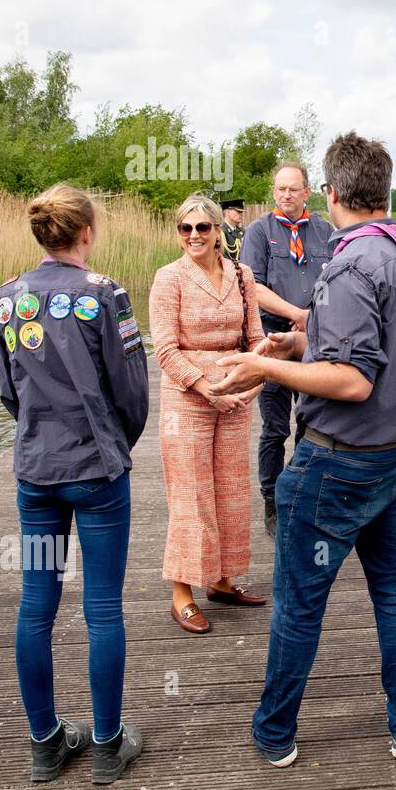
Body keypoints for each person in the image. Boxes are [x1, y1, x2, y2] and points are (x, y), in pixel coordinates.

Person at [211, 132, 396, 767]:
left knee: (298, 603)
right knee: (394, 590)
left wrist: (262, 369)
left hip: (338, 466)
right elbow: (368, 342)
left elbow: (353, 378)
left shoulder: (348, 263)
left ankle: (275, 734)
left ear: (333, 194)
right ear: (385, 191)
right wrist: (296, 346)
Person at [0, 184, 149, 785]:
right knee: (102, 607)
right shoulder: (104, 295)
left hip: (36, 475)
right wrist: (112, 445)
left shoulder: (5, 301)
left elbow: (10, 392)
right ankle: (107, 745)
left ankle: (45, 744)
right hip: (98, 474)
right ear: (87, 233)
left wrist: (41, 436)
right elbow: (132, 394)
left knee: (36, 606)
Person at [151, 194, 266, 635]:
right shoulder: (169, 278)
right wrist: (207, 390)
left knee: (232, 492)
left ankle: (222, 579)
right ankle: (183, 592)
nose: (194, 236)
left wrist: (253, 383)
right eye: (186, 228)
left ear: (219, 230)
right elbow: (163, 349)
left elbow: (255, 336)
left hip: (237, 394)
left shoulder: (242, 275)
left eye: (203, 227)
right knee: (191, 493)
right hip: (188, 397)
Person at [240, 164, 335, 537]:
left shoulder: (325, 231)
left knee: (313, 423)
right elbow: (253, 287)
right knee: (275, 427)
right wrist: (296, 313)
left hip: (315, 339)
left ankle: (302, 492)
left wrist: (313, 318)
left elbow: (335, 280)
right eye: (280, 189)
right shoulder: (260, 231)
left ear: (307, 192)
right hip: (274, 338)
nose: (286, 196)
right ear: (273, 190)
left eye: (293, 190)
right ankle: (271, 499)